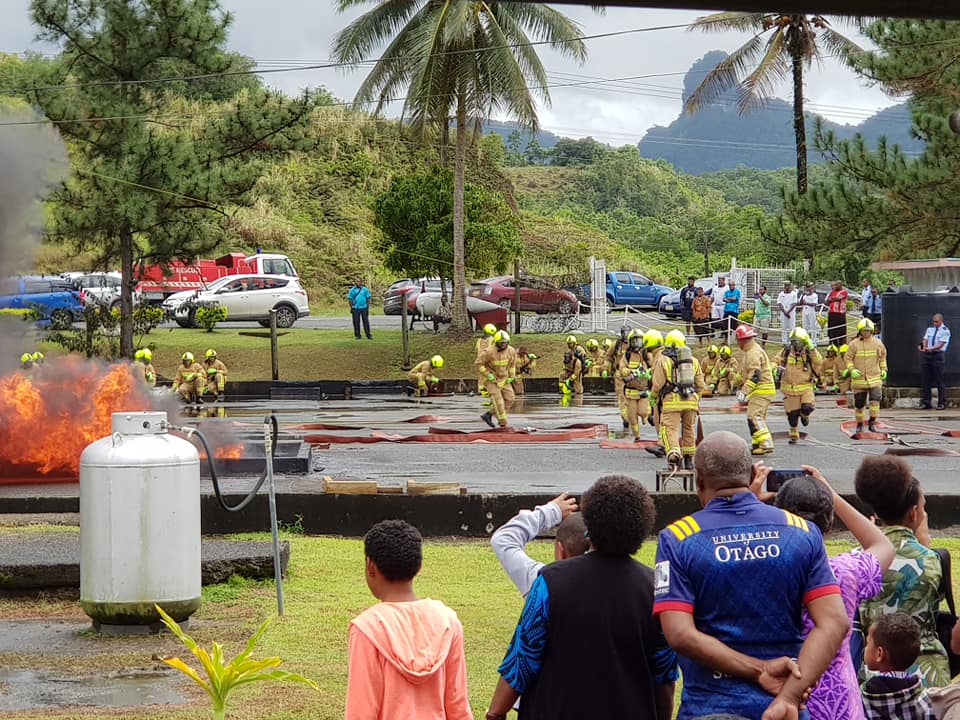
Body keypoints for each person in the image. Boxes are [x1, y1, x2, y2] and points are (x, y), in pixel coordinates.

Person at [654, 430, 849, 720]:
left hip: (709, 707)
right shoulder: (801, 531)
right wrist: (790, 696)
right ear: (751, 473)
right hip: (782, 707)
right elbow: (834, 621)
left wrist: (759, 670)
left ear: (699, 480)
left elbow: (680, 635)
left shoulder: (677, 539)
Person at [487, 475, 678, 720]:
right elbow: (664, 673)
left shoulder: (549, 581)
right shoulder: (657, 586)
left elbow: (522, 657)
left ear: (591, 524)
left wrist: (496, 713)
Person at [770, 467, 895, 720]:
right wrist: (832, 496)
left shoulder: (762, 571)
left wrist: (750, 500)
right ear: (828, 523)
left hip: (780, 693)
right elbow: (883, 545)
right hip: (838, 700)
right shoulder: (845, 572)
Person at [344, 520, 472, 720]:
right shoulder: (448, 621)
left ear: (370, 566)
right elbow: (458, 707)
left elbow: (361, 712)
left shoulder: (366, 629)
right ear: (419, 566)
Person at [855, 456, 949, 688]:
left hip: (872, 674)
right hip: (927, 674)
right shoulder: (933, 560)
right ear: (915, 513)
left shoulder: (856, 559)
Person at [490, 493, 587, 597]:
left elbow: (503, 539)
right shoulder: (606, 586)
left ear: (560, 552)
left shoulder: (544, 584)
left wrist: (553, 511)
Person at [861, 614, 936, 720]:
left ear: (879, 654)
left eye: (867, 643)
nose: (865, 648)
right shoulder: (925, 700)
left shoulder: (862, 699)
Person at [651, 329, 706, 470]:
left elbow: (657, 384)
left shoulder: (663, 360)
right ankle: (689, 460)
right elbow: (700, 385)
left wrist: (653, 399)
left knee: (670, 429)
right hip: (691, 401)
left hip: (671, 402)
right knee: (688, 430)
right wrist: (696, 399)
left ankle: (674, 455)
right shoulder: (693, 361)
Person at [773, 327, 822, 445]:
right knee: (792, 414)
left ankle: (804, 416)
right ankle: (794, 434)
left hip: (805, 386)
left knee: (808, 406)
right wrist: (774, 368)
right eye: (793, 341)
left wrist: (812, 348)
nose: (795, 344)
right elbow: (775, 360)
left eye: (798, 341)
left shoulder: (809, 352)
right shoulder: (786, 352)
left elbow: (819, 362)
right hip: (789, 388)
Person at [734, 325, 776, 455]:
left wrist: (744, 392)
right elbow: (742, 373)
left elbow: (755, 375)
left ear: (741, 340)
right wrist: (736, 384)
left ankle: (766, 444)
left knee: (754, 416)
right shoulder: (751, 351)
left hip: (761, 390)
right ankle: (757, 444)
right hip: (761, 390)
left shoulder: (753, 353)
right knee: (756, 417)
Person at [844, 318, 888, 434]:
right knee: (859, 404)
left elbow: (882, 358)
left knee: (875, 401)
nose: (866, 332)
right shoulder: (854, 344)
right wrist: (851, 369)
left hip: (875, 378)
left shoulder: (878, 343)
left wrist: (884, 370)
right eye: (864, 330)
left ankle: (872, 423)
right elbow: (848, 359)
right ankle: (859, 424)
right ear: (860, 331)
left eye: (868, 330)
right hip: (859, 380)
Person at [619, 329, 654, 442]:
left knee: (643, 411)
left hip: (643, 391)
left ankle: (646, 417)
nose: (637, 344)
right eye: (634, 341)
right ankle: (637, 437)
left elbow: (653, 367)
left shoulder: (646, 354)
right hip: (630, 392)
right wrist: (629, 372)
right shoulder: (627, 355)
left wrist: (647, 372)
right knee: (632, 416)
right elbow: (622, 368)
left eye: (639, 341)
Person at [478, 330, 517, 428]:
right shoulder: (488, 352)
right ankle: (503, 424)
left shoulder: (511, 351)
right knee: (498, 401)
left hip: (504, 379)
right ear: (497, 342)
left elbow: (512, 364)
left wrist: (511, 377)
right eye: (501, 342)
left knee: (510, 399)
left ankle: (489, 414)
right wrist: (487, 374)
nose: (503, 344)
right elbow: (478, 364)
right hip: (492, 380)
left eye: (505, 342)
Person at [919, 313, 950, 410]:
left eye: (936, 322)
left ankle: (942, 403)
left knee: (939, 380)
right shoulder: (930, 329)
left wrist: (931, 349)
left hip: (937, 355)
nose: (935, 323)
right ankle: (926, 402)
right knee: (926, 379)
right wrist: (924, 346)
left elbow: (941, 344)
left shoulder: (945, 331)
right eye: (933, 321)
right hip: (927, 355)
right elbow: (925, 339)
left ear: (941, 321)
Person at [607, 326, 631, 428]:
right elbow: (608, 357)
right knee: (622, 397)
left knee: (633, 397)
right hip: (619, 375)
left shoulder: (635, 344)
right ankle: (625, 418)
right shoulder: (616, 345)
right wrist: (606, 368)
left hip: (632, 374)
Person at [826, 281, 850, 348]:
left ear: (841, 285)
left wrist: (832, 298)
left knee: (841, 330)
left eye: (837, 285)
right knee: (831, 330)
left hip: (840, 314)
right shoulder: (832, 292)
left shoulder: (844, 292)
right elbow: (827, 301)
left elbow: (839, 298)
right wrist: (832, 298)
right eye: (835, 285)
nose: (835, 286)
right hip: (832, 313)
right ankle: (832, 344)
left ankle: (842, 344)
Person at [777, 281, 799, 346]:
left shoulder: (794, 294)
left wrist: (788, 312)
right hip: (783, 313)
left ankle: (791, 341)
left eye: (788, 286)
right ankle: (784, 342)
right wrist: (785, 312)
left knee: (792, 327)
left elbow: (794, 303)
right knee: (784, 327)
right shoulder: (781, 294)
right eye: (785, 286)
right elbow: (779, 303)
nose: (787, 287)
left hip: (791, 313)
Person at [722, 279, 742, 344]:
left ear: (734, 285)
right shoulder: (726, 292)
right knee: (725, 325)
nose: (731, 286)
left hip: (734, 311)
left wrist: (728, 299)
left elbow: (735, 298)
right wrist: (730, 299)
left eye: (732, 285)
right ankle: (725, 339)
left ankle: (738, 339)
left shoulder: (737, 292)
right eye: (730, 285)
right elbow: (723, 299)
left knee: (734, 325)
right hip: (727, 310)